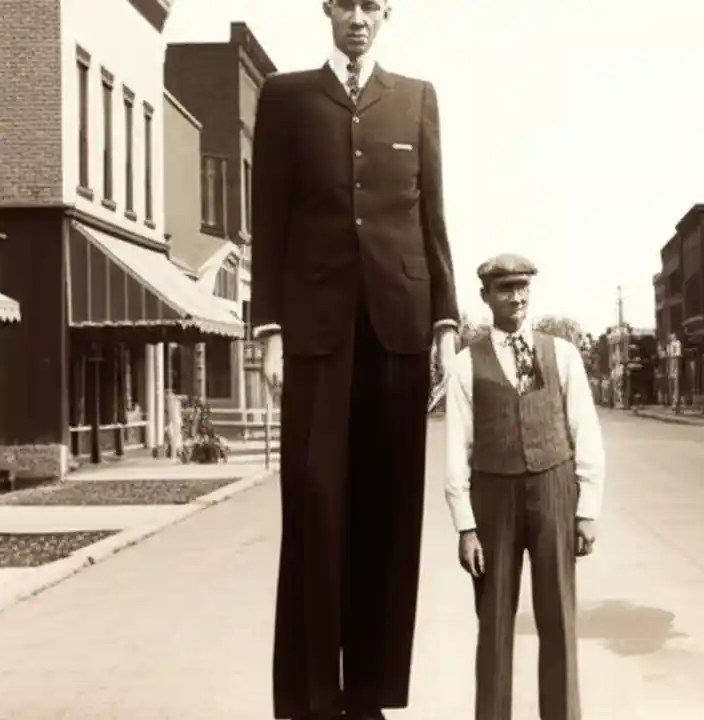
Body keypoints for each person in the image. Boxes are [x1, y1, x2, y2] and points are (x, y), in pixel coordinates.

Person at [249, 1, 460, 718]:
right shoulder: (285, 98)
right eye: (346, 3)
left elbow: (433, 216)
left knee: (387, 513)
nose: (359, 18)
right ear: (327, 10)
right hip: (314, 332)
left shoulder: (417, 97)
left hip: (398, 329)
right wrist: (270, 329)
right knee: (315, 505)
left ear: (387, 11)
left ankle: (369, 694)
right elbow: (269, 218)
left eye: (372, 4)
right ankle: (313, 695)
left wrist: (445, 323)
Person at [443, 254, 606, 720]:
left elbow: (585, 429)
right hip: (493, 499)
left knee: (558, 619)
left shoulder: (562, 354)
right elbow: (456, 446)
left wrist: (587, 508)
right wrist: (465, 526)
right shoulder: (465, 365)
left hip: (554, 490)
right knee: (494, 624)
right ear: (485, 296)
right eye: (505, 289)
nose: (516, 298)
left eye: (522, 288)